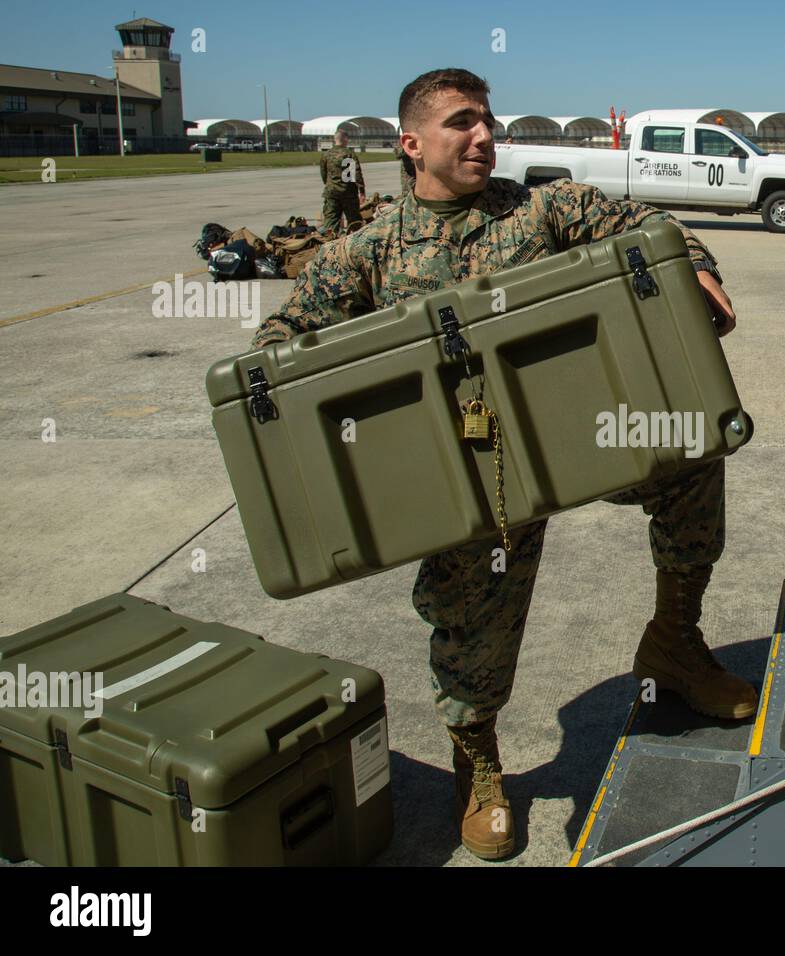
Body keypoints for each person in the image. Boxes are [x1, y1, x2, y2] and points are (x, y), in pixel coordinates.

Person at [250, 67, 755, 861]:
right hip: (475, 479)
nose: (484, 135)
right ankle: (476, 754)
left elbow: (646, 222)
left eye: (487, 120)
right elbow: (277, 354)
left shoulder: (540, 208)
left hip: (576, 437)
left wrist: (695, 263)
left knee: (692, 449)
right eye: (461, 123)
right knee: (470, 623)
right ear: (412, 143)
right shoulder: (365, 254)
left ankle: (675, 644)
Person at [319, 130, 366, 235]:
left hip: (332, 192)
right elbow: (356, 174)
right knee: (354, 222)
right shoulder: (349, 154)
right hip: (348, 192)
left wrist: (330, 185)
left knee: (331, 221)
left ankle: (331, 244)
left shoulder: (326, 155)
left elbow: (324, 174)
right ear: (345, 139)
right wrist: (361, 190)